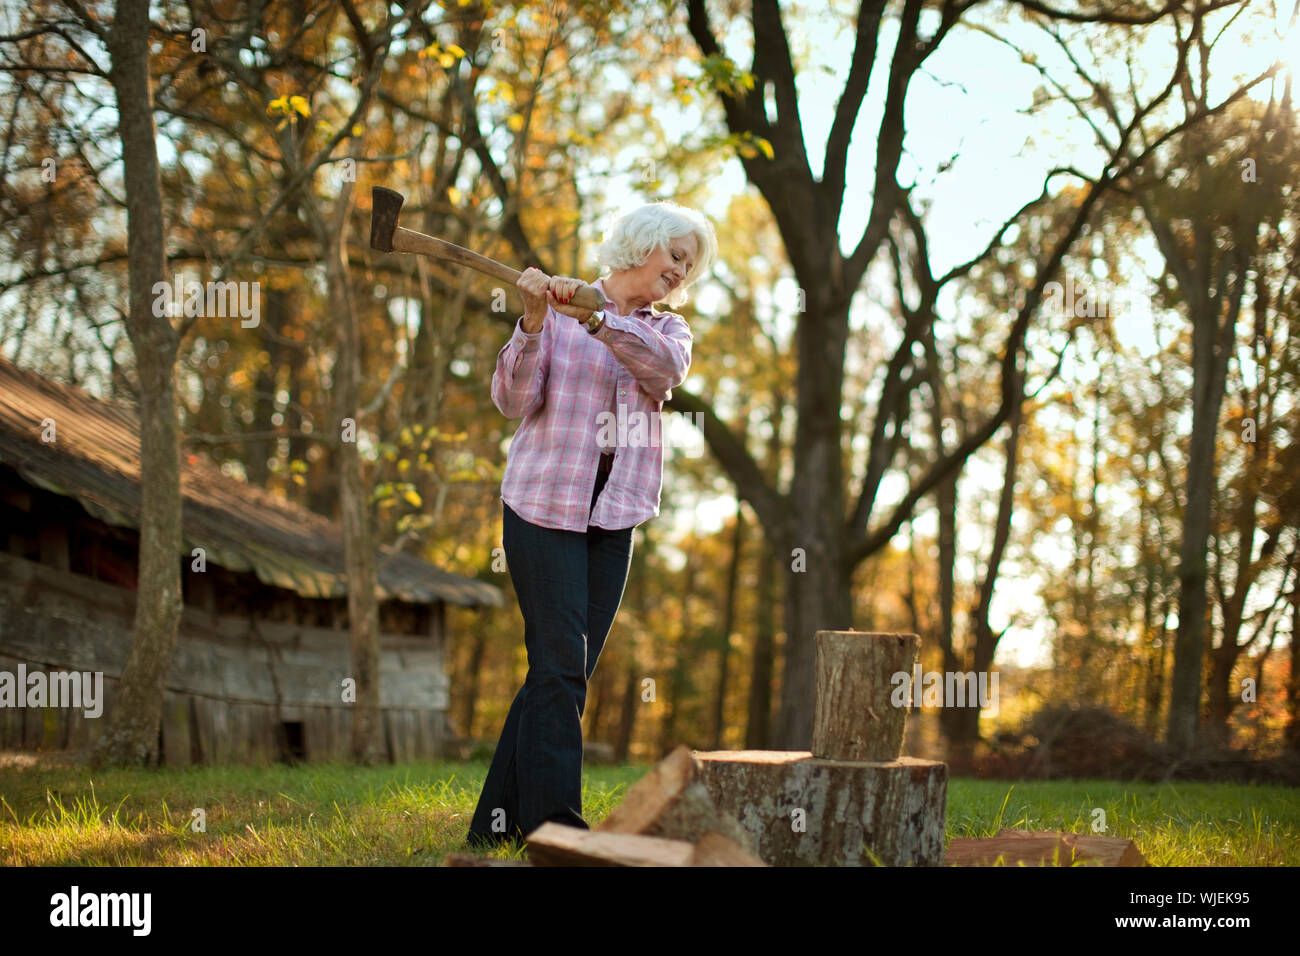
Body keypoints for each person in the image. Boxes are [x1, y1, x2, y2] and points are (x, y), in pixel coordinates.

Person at [465, 200, 717, 848]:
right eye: (675, 254)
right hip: (543, 505)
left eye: (688, 266)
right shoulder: (553, 312)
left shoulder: (669, 331)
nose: (680, 271)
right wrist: (532, 322)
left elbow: (663, 372)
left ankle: (492, 828)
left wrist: (598, 320)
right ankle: (558, 835)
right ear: (642, 243)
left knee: (559, 673)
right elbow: (513, 401)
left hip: (615, 515)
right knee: (559, 667)